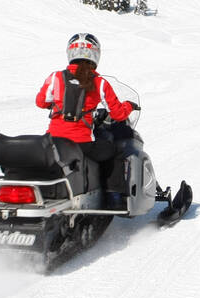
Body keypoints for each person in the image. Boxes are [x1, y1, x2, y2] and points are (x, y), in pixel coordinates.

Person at [36, 33, 138, 203]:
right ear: (95, 54)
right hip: (81, 144)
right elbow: (118, 114)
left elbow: (41, 102)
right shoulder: (99, 83)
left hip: (53, 142)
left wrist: (55, 105)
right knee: (116, 150)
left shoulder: (55, 77)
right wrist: (129, 105)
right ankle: (114, 196)